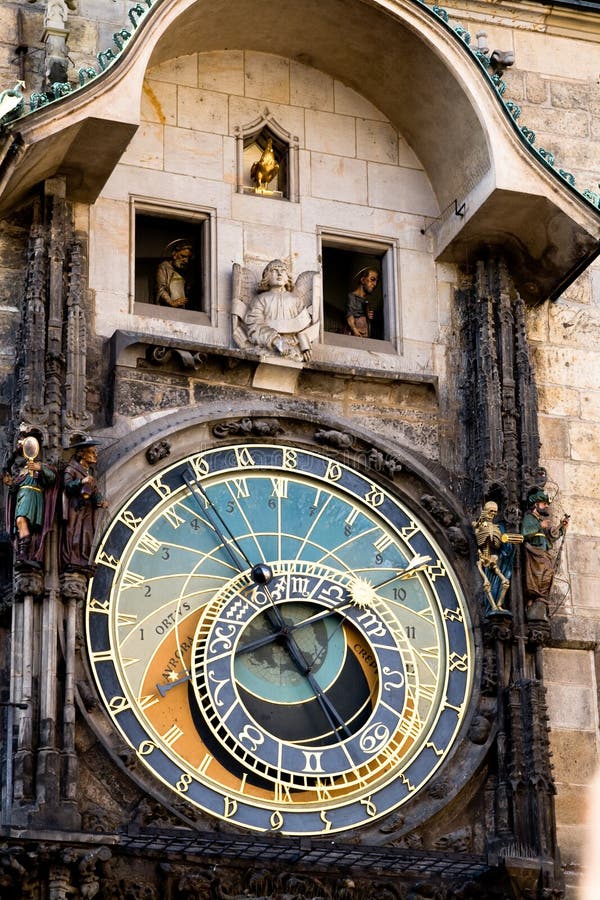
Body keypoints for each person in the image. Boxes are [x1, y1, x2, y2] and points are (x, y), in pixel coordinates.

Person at [3, 431, 56, 564]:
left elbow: (52, 479)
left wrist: (40, 469)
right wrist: (10, 484)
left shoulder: (38, 465)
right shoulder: (19, 470)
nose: (20, 444)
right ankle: (24, 552)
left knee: (21, 520)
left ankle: (24, 552)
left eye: (23, 442)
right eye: (19, 442)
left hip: (33, 496)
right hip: (22, 496)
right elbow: (14, 489)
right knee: (21, 522)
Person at [244, 259, 314, 362]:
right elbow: (254, 325)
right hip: (268, 348)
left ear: (287, 277)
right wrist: (277, 342)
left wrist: (305, 346)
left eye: (283, 270)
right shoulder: (260, 299)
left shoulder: (296, 300)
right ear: (267, 276)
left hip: (293, 351)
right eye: (274, 270)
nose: (279, 273)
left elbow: (304, 325)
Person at [61, 440, 108, 571]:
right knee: (74, 532)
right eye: (92, 452)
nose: (95, 455)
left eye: (95, 453)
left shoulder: (90, 473)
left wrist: (101, 500)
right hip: (75, 506)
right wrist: (81, 481)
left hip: (88, 508)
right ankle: (73, 558)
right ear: (82, 454)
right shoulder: (71, 469)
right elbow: (67, 486)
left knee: (87, 532)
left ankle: (85, 558)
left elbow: (95, 490)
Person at [521, 489, 569, 606]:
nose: (546, 506)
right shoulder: (529, 518)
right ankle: (532, 598)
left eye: (546, 504)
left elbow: (548, 539)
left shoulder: (539, 521)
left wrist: (561, 527)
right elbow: (524, 533)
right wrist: (539, 526)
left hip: (543, 553)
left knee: (548, 574)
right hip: (534, 554)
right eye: (543, 504)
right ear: (535, 504)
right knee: (537, 577)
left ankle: (540, 598)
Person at [472, 500, 522, 611]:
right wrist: (480, 522)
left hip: (494, 558)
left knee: (505, 582)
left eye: (495, 512)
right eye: (491, 512)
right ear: (485, 511)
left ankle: (498, 605)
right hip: (482, 558)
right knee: (488, 583)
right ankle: (493, 606)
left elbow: (500, 546)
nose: (493, 514)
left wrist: (506, 540)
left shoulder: (498, 528)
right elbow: (476, 532)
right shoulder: (479, 525)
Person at [154, 239, 194, 308]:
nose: (186, 261)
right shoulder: (164, 267)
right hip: (168, 308)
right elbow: (161, 289)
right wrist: (171, 302)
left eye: (188, 258)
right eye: (183, 256)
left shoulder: (186, 270)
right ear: (174, 254)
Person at [345, 267, 378, 337]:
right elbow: (349, 315)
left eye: (376, 282)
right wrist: (355, 330)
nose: (374, 284)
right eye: (372, 280)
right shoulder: (352, 296)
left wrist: (368, 315)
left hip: (366, 334)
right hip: (356, 335)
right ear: (363, 280)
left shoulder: (367, 300)